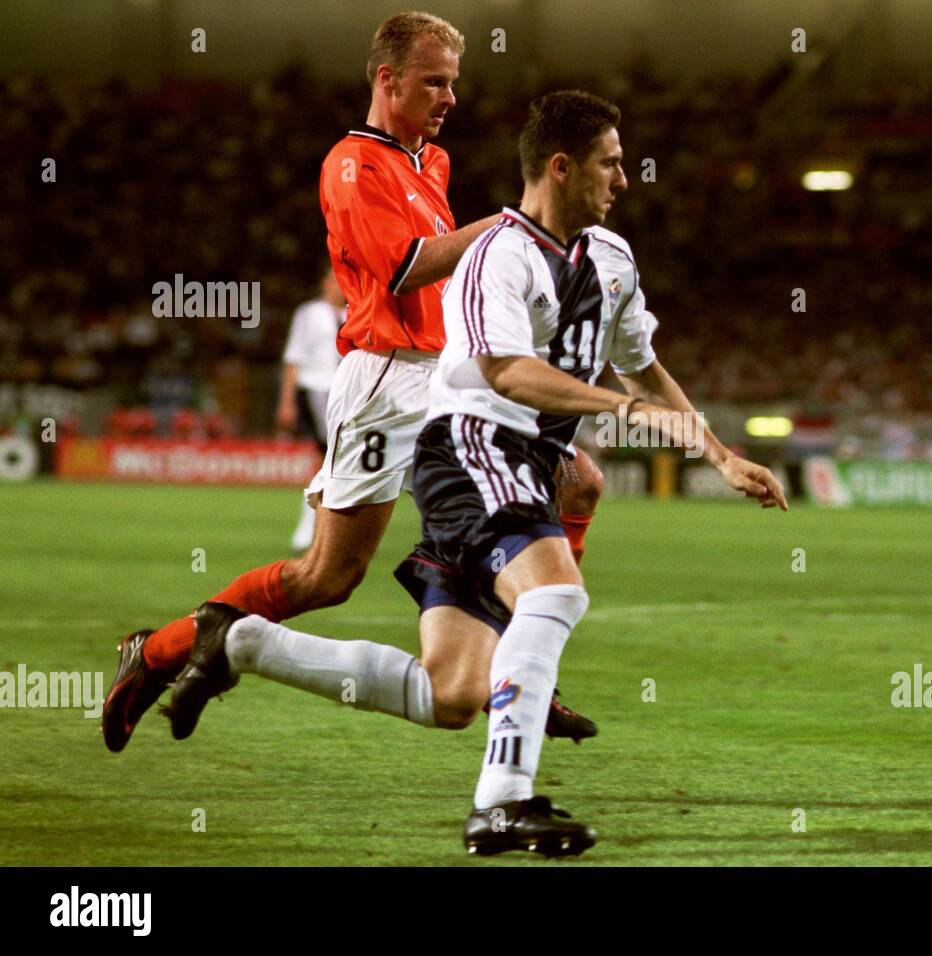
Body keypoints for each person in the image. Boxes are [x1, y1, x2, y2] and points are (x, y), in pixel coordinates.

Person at [163, 90, 788, 858]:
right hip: (473, 447)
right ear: (561, 168)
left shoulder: (614, 259)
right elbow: (506, 371)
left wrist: (720, 454)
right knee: (555, 591)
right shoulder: (497, 256)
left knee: (451, 694)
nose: (624, 180)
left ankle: (241, 645)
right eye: (610, 164)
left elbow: (644, 368)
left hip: (527, 461)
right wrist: (623, 413)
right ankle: (502, 804)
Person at [102, 12, 600, 753]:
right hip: (387, 383)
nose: (449, 97)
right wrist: (510, 226)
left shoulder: (431, 162)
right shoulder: (351, 164)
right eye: (434, 82)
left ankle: (525, 669)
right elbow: (405, 267)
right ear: (386, 79)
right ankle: (159, 653)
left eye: (454, 83)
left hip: (445, 378)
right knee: (326, 577)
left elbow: (452, 271)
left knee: (576, 480)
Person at [276, 263, 346, 552]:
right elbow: (294, 357)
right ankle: (311, 523)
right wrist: (287, 401)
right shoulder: (308, 313)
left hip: (346, 392)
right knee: (331, 455)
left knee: (334, 458)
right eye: (333, 280)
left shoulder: (356, 313)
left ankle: (321, 525)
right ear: (324, 283)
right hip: (316, 389)